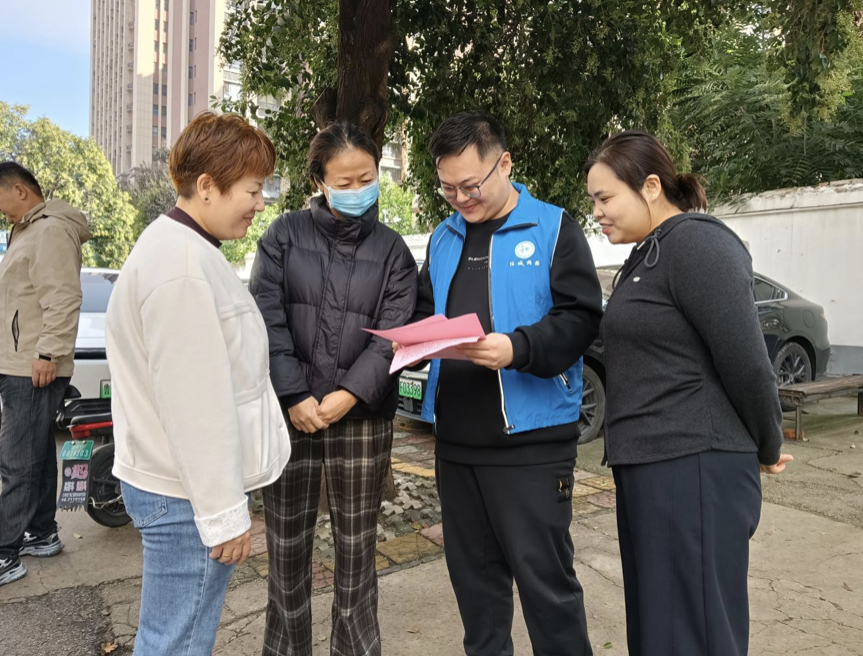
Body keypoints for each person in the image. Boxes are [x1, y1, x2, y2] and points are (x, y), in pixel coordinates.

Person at [585, 130, 793, 656]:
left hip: (693, 467)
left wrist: (768, 446)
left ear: (651, 186)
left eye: (605, 197)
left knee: (698, 632)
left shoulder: (699, 243)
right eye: (593, 200)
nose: (597, 212)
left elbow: (748, 362)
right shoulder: (647, 256)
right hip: (653, 468)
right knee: (662, 631)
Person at [409, 111, 603, 655]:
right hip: (457, 447)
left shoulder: (553, 227)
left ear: (505, 164)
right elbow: (428, 313)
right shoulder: (445, 239)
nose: (460, 199)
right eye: (447, 188)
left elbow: (582, 317)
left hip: (531, 447)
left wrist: (518, 347)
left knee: (548, 592)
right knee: (478, 597)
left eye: (471, 185)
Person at [105, 112, 291, 655]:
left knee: (172, 636)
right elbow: (196, 405)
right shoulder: (182, 268)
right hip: (186, 496)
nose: (261, 204)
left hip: (175, 484)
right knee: (177, 642)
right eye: (254, 190)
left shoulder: (179, 248)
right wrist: (224, 516)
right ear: (207, 186)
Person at [251, 122, 417, 656]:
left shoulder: (393, 250)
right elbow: (265, 319)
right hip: (290, 415)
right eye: (343, 181)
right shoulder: (282, 235)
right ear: (320, 181)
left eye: (366, 177)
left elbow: (395, 334)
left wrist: (349, 392)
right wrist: (294, 395)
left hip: (362, 417)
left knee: (356, 550)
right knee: (287, 546)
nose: (358, 189)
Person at [0, 162, 91, 587]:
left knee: (16, 459)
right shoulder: (27, 229)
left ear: (19, 191)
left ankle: (4, 552)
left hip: (31, 364)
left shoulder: (49, 229)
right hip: (22, 361)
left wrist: (47, 352)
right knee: (33, 453)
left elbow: (64, 297)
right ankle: (42, 532)